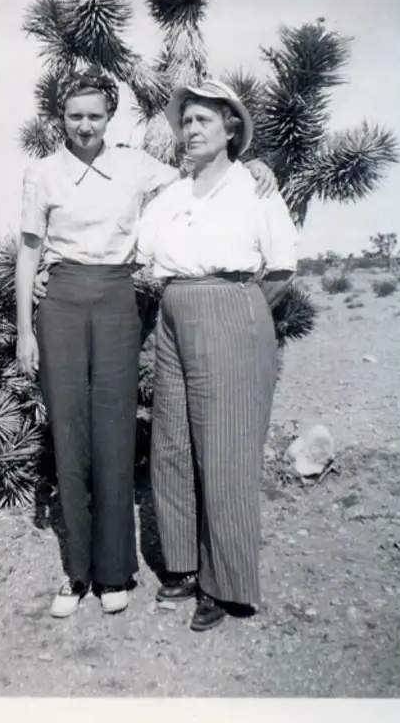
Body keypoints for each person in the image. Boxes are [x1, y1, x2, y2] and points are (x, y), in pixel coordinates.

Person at [16, 66, 277, 619]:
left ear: (110, 117)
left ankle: (120, 572)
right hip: (71, 300)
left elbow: (208, 180)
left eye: (95, 115)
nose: (85, 125)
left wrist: (254, 165)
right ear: (59, 118)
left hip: (125, 300)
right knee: (103, 438)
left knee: (121, 436)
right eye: (73, 115)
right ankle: (84, 573)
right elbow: (29, 252)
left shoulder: (138, 166)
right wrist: (30, 313)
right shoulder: (44, 173)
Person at [137, 79, 298, 632]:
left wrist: (239, 313)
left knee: (225, 451)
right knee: (173, 442)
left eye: (203, 120)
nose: (191, 130)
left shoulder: (255, 188)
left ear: (231, 128)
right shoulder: (169, 197)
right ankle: (182, 566)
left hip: (231, 308)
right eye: (186, 122)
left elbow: (280, 270)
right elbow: (138, 258)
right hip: (173, 312)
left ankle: (223, 583)